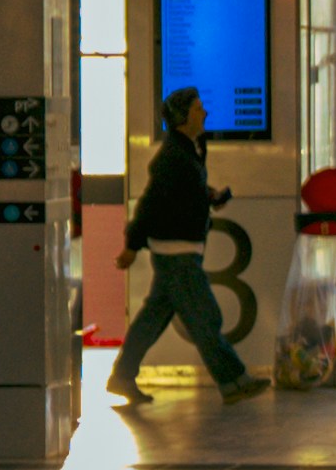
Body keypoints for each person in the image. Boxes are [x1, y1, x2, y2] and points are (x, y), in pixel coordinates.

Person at [109, 89, 264, 405]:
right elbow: (150, 205)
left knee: (151, 320)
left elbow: (182, 192)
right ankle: (234, 380)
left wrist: (209, 197)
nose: (204, 113)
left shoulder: (186, 152)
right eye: (198, 108)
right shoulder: (172, 158)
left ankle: (122, 376)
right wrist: (132, 245)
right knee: (205, 317)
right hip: (178, 254)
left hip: (175, 252)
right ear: (182, 117)